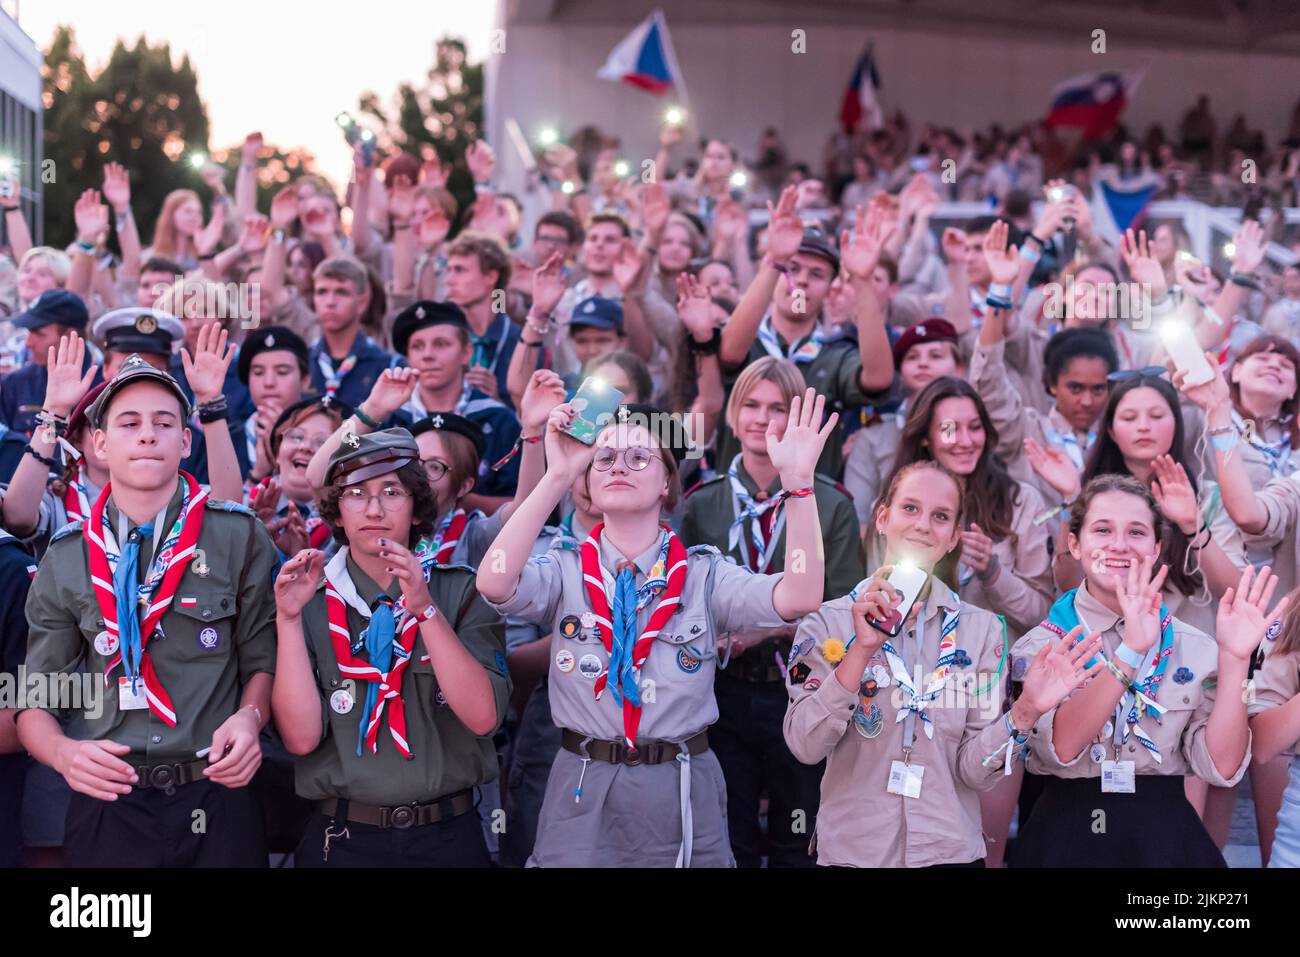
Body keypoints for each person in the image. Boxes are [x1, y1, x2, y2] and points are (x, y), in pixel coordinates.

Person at [476, 387, 836, 867]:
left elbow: (801, 595)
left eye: (639, 456)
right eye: (602, 458)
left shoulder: (704, 575)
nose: (618, 466)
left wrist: (799, 487)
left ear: (669, 481)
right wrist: (558, 474)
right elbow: (494, 580)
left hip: (681, 784)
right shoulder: (564, 568)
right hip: (583, 780)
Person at [16, 355, 279, 867]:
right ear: (100, 443)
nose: (147, 436)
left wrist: (250, 718)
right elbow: (36, 699)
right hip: (110, 800)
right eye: (129, 423)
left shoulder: (238, 535)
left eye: (164, 424)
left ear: (185, 441)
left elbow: (262, 660)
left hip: (215, 793)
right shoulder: (67, 554)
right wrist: (62, 754)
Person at [784, 460, 1096, 867]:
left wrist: (1026, 711)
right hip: (854, 853)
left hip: (949, 851)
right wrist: (859, 652)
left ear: (952, 539)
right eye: (909, 508)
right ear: (882, 518)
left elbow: (975, 772)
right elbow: (804, 747)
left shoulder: (983, 631)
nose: (923, 525)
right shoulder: (827, 621)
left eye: (941, 516)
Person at [1009, 475, 1278, 866]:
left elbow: (1220, 766)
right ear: (1074, 544)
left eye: (1136, 532)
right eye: (1102, 530)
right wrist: (1131, 652)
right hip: (1068, 831)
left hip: (1165, 835)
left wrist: (1236, 661)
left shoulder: (1196, 646)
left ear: (1156, 548)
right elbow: (1061, 749)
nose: (1118, 544)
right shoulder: (1042, 645)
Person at [271, 428, 509, 867]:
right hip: (341, 837)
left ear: (418, 507)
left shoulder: (460, 593)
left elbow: (483, 718)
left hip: (446, 835)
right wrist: (287, 620)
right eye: (356, 493)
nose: (374, 508)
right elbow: (301, 739)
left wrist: (425, 611)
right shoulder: (307, 599)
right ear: (337, 513)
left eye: (392, 491)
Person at [681, 357, 864, 867]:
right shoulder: (703, 503)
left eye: (778, 408)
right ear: (734, 414)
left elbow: (843, 607)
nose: (763, 419)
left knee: (798, 832)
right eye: (751, 406)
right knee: (728, 829)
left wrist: (758, 631)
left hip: (803, 686)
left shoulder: (830, 505)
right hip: (720, 691)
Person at [718, 189, 895, 479]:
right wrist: (774, 260)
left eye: (817, 274)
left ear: (830, 288)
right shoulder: (749, 340)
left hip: (811, 508)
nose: (801, 279)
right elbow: (728, 352)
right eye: (793, 268)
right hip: (735, 501)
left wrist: (862, 281)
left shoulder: (835, 352)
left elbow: (878, 379)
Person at [388, 300, 522, 512]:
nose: (427, 355)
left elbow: (523, 503)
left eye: (441, 344)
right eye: (417, 346)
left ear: (466, 352)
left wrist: (455, 498)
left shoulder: (498, 420)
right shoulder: (391, 419)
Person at [843, 319, 963, 527]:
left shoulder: (973, 428)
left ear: (959, 368)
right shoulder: (875, 433)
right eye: (912, 357)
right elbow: (857, 518)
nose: (923, 363)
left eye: (935, 355)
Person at [306, 256, 402, 410]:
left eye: (341, 292)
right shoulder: (302, 362)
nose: (330, 302)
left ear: (362, 303)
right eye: (322, 292)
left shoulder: (387, 367)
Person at [0, 290, 97, 439]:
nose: (28, 343)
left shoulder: (103, 384)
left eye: (39, 334)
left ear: (70, 336)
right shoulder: (17, 383)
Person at [235, 325, 312, 482]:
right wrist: (258, 474)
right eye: (258, 373)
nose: (269, 382)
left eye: (282, 372)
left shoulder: (325, 437)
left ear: (305, 381)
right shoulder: (228, 439)